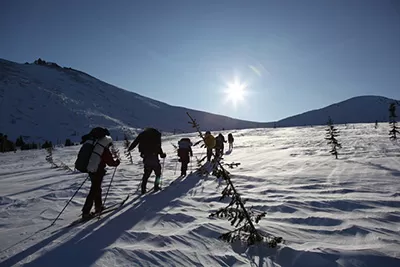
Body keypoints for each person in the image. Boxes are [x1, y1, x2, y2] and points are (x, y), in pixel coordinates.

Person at [81, 128, 120, 219]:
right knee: (94, 189)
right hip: (98, 170)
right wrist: (116, 163)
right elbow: (109, 161)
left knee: (96, 188)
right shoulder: (102, 146)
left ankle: (98, 206)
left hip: (91, 169)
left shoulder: (93, 144)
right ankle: (86, 212)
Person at [128, 128, 166, 193]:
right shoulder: (156, 135)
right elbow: (158, 146)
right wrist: (162, 154)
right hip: (154, 157)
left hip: (146, 156)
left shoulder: (143, 134)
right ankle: (156, 186)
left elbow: (135, 142)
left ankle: (143, 189)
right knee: (158, 173)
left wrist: (130, 148)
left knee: (146, 174)